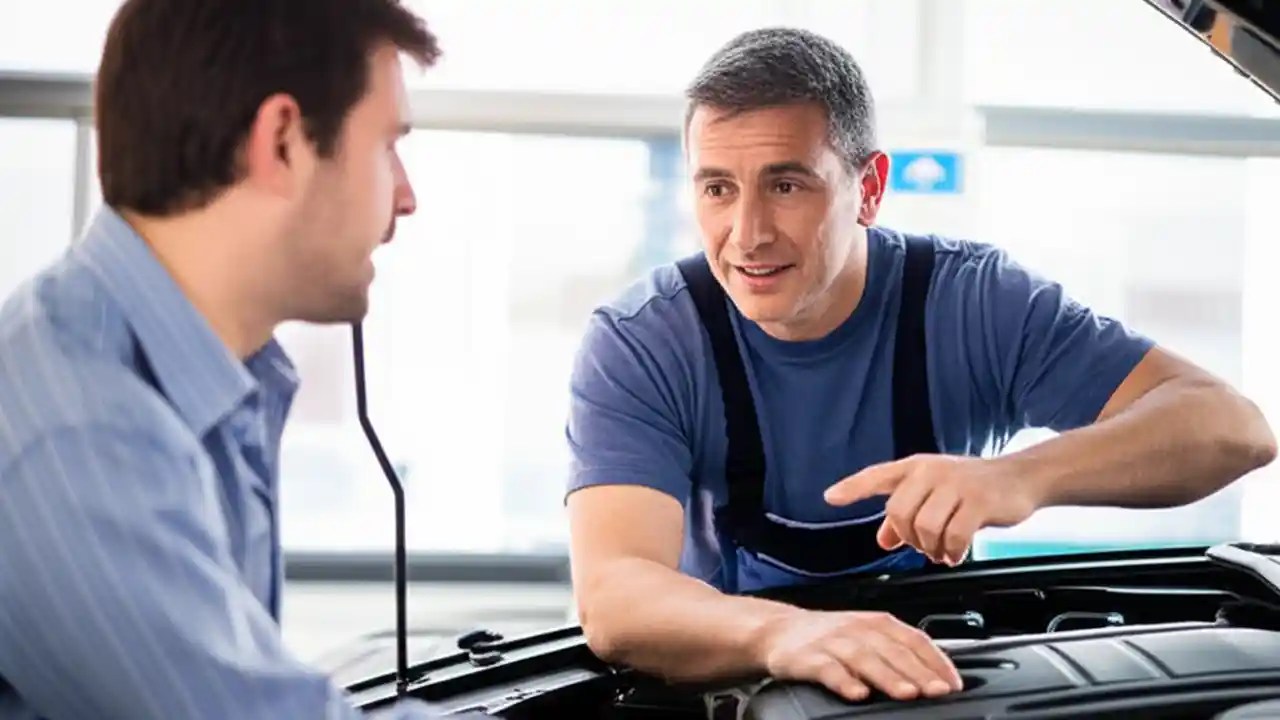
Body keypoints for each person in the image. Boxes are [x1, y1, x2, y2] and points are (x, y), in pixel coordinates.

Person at [563, 26, 1277, 705]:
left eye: (786, 186)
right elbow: (616, 593)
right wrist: (788, 635)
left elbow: (1232, 430)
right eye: (718, 188)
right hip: (726, 684)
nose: (746, 235)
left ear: (870, 189)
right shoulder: (644, 340)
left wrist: (1020, 477)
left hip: (934, 681)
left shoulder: (976, 304)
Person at [0, 1, 481, 718]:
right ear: (282, 141)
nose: (406, 197)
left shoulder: (207, 380)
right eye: (386, 145)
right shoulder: (80, 424)